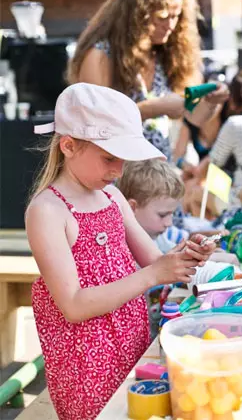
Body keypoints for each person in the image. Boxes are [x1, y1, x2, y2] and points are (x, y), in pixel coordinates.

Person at [26, 83, 216, 420]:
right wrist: (155, 274)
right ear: (68, 146)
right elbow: (73, 304)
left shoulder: (113, 198)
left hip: (132, 347)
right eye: (109, 158)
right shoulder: (48, 211)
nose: (118, 171)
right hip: (84, 368)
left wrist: (185, 255)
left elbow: (155, 263)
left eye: (123, 160)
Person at [68, 0, 229, 160]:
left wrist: (211, 102)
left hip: (158, 176)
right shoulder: (101, 55)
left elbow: (193, 117)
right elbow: (95, 124)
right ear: (137, 16)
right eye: (162, 17)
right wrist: (154, 108)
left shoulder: (166, 53)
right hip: (117, 176)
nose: (170, 25)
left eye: (176, 16)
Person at [179, 69, 242, 193]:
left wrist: (191, 175)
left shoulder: (235, 123)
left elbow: (208, 167)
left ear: (232, 98)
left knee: (193, 194)